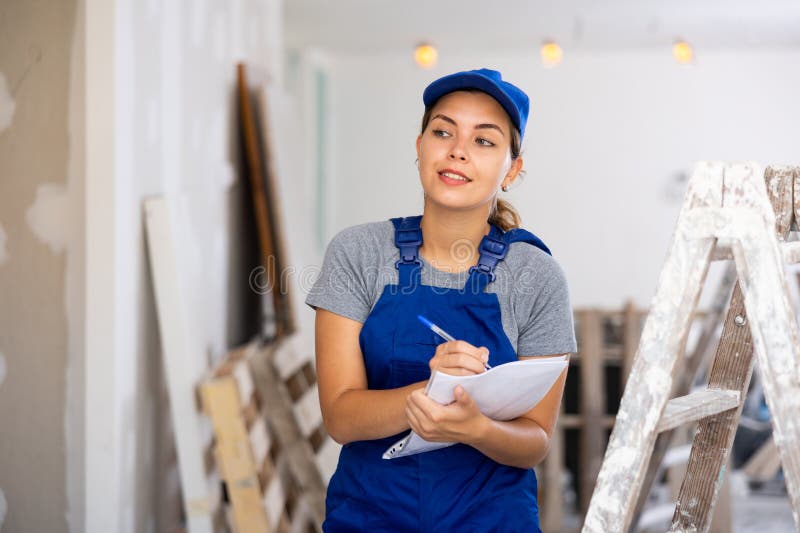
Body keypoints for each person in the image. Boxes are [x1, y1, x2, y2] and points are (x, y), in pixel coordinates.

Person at [305, 68, 577, 532]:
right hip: (369, 517)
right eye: (443, 131)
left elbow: (535, 439)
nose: (457, 149)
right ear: (419, 146)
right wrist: (430, 393)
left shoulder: (537, 276)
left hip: (492, 520)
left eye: (484, 141)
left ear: (512, 169)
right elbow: (341, 418)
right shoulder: (358, 252)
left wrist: (478, 429)